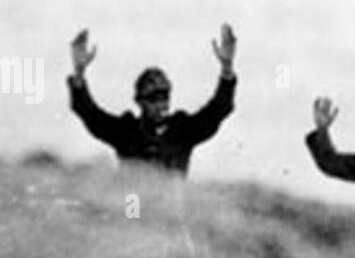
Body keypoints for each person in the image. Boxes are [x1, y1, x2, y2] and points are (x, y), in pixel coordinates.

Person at [66, 24, 238, 176]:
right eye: (153, 99)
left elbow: (218, 109)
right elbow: (89, 113)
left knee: (176, 205)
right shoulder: (125, 132)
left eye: (165, 98)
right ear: (139, 102)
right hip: (132, 205)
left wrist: (227, 68)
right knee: (130, 206)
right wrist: (79, 73)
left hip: (169, 208)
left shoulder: (183, 131)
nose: (161, 105)